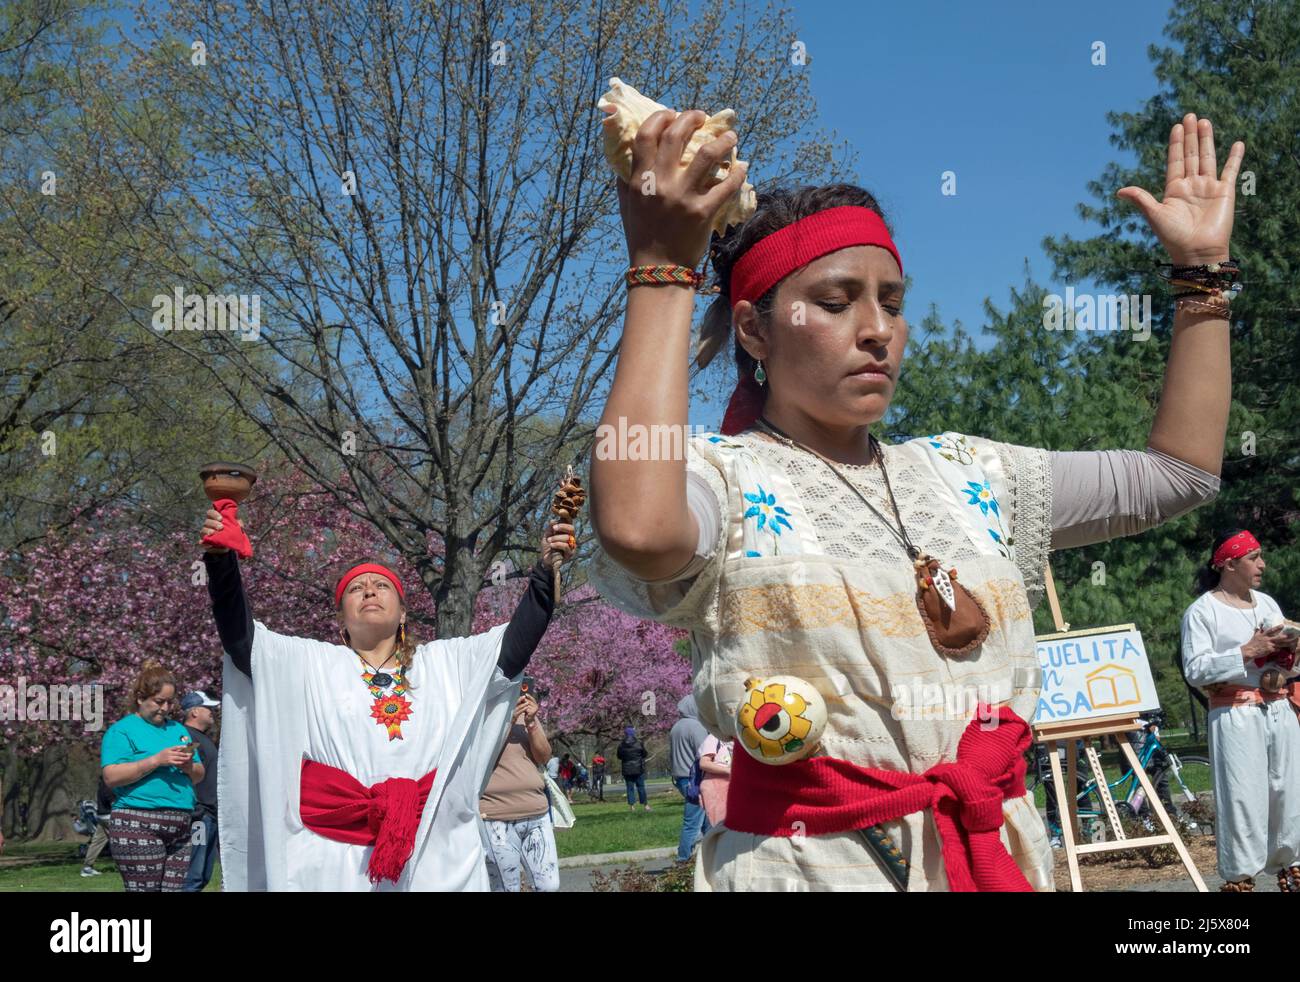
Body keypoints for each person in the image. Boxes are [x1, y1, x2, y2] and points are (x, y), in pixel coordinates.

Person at [589, 110, 1240, 891]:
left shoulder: (970, 473)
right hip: (810, 869)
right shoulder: (722, 478)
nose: (878, 331)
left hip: (993, 856)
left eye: (892, 302)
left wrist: (1202, 279)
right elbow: (637, 525)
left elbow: (1181, 473)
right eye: (835, 302)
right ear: (755, 331)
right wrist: (663, 267)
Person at [202, 506, 575, 892]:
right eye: (354, 588)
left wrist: (545, 573)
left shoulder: (447, 662)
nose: (368, 591)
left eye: (381, 586)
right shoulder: (308, 662)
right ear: (341, 620)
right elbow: (243, 642)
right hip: (331, 858)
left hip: (434, 849)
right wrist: (220, 561)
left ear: (402, 614)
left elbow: (514, 647)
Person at [1181, 528, 1300, 892]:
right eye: (1254, 557)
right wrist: (1246, 651)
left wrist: (1282, 669)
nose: (1262, 564)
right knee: (1241, 797)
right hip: (1235, 715)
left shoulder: (1267, 604)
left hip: (1278, 709)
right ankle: (1240, 879)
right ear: (1229, 564)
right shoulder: (1202, 611)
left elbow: (1287, 660)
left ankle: (1291, 867)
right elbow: (1195, 668)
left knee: (1287, 792)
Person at [100, 664, 205, 891]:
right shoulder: (122, 731)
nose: (165, 708)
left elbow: (199, 774)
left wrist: (188, 766)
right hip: (138, 822)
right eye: (159, 701)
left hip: (181, 825)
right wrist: (156, 760)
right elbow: (111, 777)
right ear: (140, 698)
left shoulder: (179, 730)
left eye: (170, 702)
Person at [479, 691, 560, 892]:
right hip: (497, 816)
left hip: (536, 812)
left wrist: (531, 722)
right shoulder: (478, 713)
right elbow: (482, 757)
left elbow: (543, 757)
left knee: (549, 886)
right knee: (507, 888)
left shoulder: (524, 714)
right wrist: (508, 720)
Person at [181, 690, 221, 891]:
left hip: (210, 815)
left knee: (203, 874)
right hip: (199, 816)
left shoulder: (202, 738)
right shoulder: (186, 737)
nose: (213, 712)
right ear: (195, 712)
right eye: (209, 708)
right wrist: (196, 809)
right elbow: (181, 770)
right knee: (193, 875)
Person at [669, 694, 710, 860]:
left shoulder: (676, 727)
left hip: (681, 777)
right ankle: (683, 859)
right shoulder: (696, 726)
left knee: (708, 820)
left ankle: (710, 855)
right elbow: (705, 753)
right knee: (692, 823)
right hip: (695, 779)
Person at [79, 777, 116, 877]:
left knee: (97, 842)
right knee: (121, 839)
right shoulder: (109, 785)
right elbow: (112, 801)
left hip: (101, 816)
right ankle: (129, 865)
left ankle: (87, 868)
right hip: (109, 816)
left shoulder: (102, 785)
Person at [698, 734, 732, 828]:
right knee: (721, 826)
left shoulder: (740, 738)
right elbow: (704, 763)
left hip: (733, 786)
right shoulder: (714, 738)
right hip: (715, 788)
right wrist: (728, 770)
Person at [617, 726, 649, 811]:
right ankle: (645, 805)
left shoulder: (621, 745)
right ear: (633, 733)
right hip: (638, 768)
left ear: (625, 734)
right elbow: (645, 754)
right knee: (641, 787)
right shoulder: (639, 743)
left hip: (627, 770)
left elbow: (619, 756)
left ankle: (632, 807)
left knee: (630, 788)